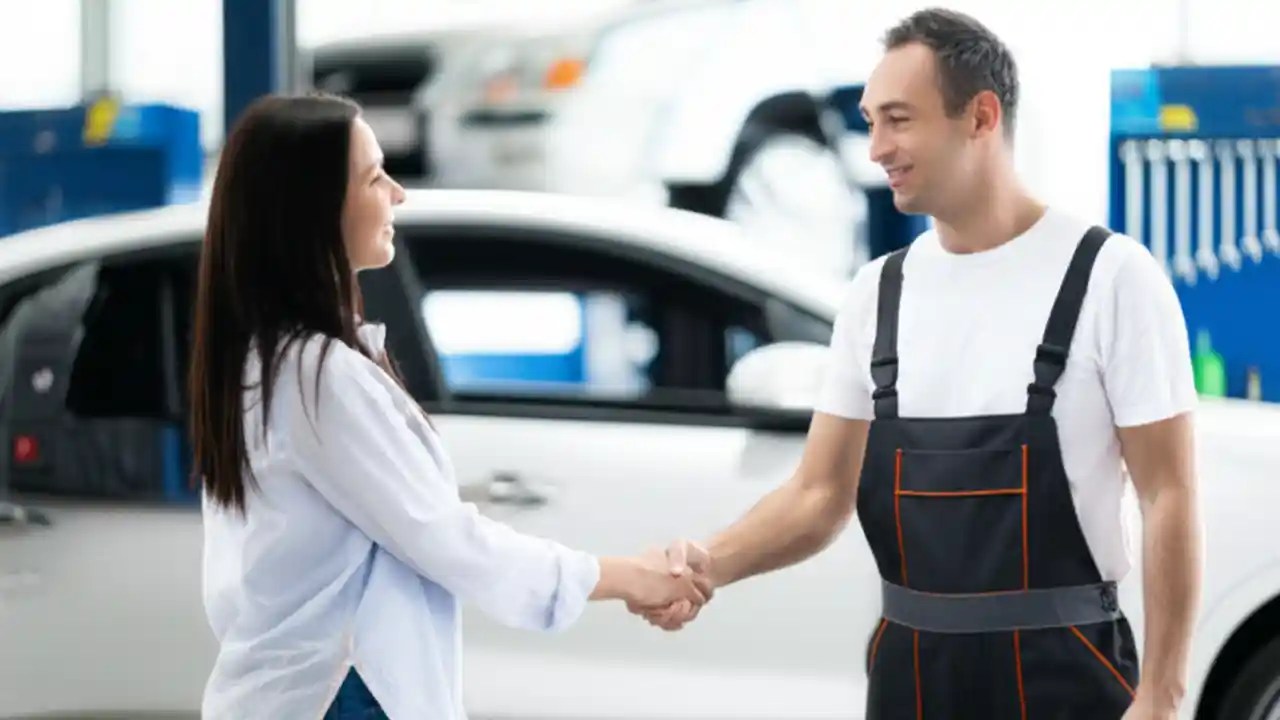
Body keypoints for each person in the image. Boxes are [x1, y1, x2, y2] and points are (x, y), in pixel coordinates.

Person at [641, 8, 1202, 720]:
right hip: (911, 677)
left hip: (1068, 674)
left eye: (898, 120)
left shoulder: (1111, 277)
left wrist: (1162, 695)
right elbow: (819, 494)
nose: (876, 147)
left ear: (981, 116)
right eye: (871, 121)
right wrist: (709, 563)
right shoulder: (878, 293)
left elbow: (1170, 497)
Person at [188, 93, 710, 720]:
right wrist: (629, 576)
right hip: (339, 694)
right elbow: (445, 539)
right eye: (375, 176)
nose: (397, 194)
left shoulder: (272, 362)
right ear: (315, 210)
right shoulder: (317, 376)